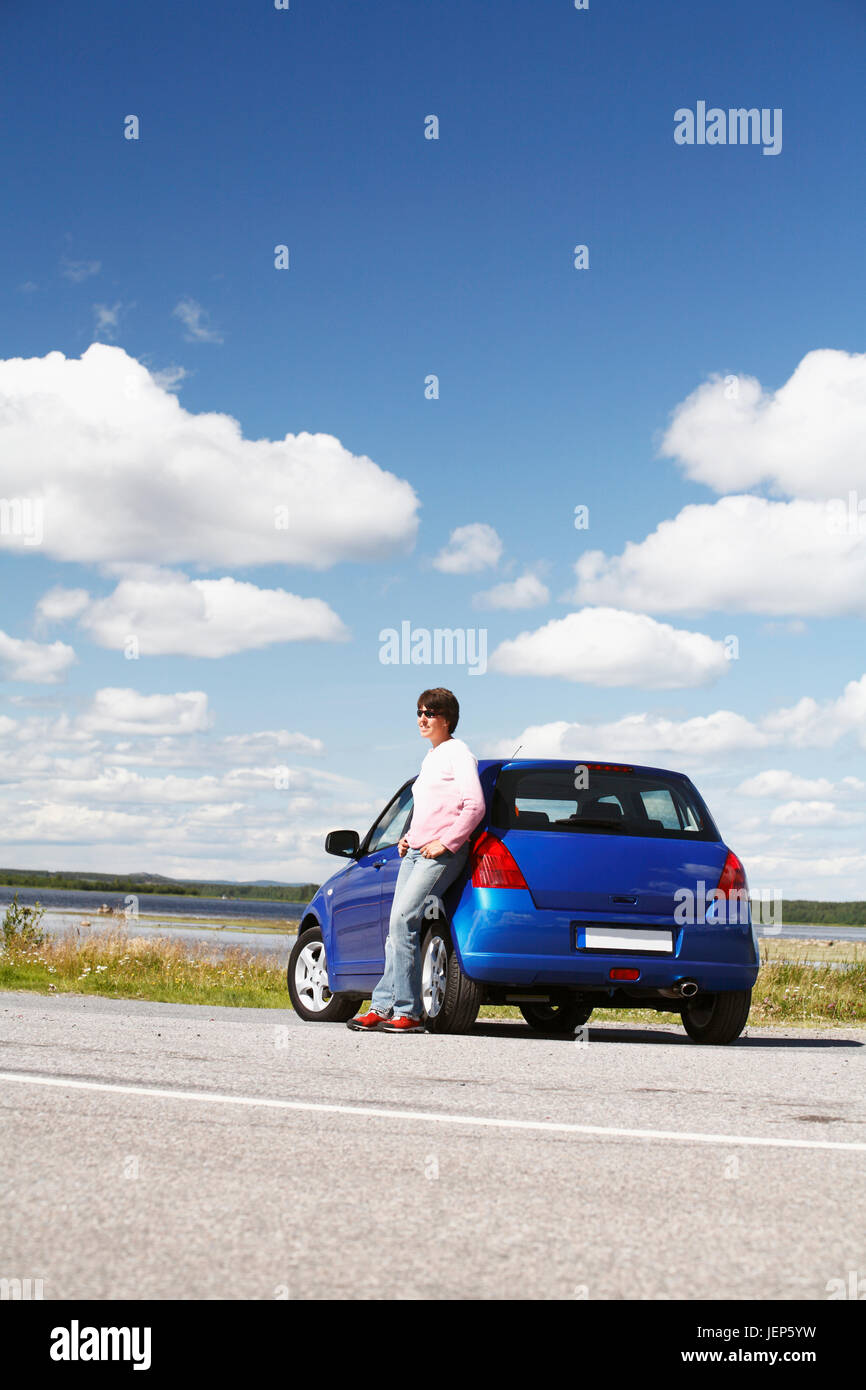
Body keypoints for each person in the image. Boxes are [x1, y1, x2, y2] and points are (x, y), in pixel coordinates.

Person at [347, 687, 486, 1033]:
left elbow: (475, 806)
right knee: (396, 931)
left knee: (403, 921)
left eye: (430, 713)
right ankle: (382, 1006)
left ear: (447, 719)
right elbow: (430, 807)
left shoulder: (459, 754)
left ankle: (408, 1012)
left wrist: (447, 842)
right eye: (420, 713)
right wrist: (409, 834)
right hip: (416, 851)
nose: (422, 719)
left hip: (440, 855)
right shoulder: (430, 758)